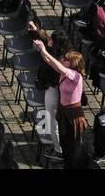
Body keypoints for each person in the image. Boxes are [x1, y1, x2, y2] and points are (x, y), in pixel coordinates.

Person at [33, 40, 87, 168]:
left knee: (72, 145)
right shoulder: (63, 73)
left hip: (73, 114)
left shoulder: (75, 76)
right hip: (63, 111)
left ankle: (73, 164)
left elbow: (58, 65)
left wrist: (45, 51)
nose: (63, 59)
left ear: (73, 64)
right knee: (64, 142)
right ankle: (66, 162)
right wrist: (42, 50)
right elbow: (50, 62)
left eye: (66, 59)